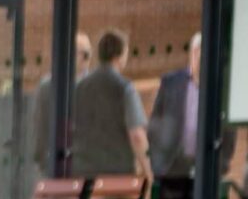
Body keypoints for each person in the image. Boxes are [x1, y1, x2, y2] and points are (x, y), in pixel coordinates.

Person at [149, 32, 236, 180]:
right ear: (191, 54)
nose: (199, 59)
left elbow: (229, 131)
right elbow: (155, 121)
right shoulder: (170, 82)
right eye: (196, 53)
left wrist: (223, 163)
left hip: (207, 166)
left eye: (203, 55)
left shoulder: (221, 87)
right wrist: (156, 159)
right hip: (172, 165)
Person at [72, 29, 150, 180]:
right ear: (120, 56)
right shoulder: (124, 88)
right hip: (116, 174)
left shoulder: (79, 88)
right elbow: (137, 135)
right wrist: (147, 169)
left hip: (82, 173)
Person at [28, 32, 91, 174]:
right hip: (56, 161)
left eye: (89, 55)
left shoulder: (93, 86)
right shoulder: (48, 86)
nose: (87, 60)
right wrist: (41, 158)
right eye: (84, 54)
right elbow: (39, 123)